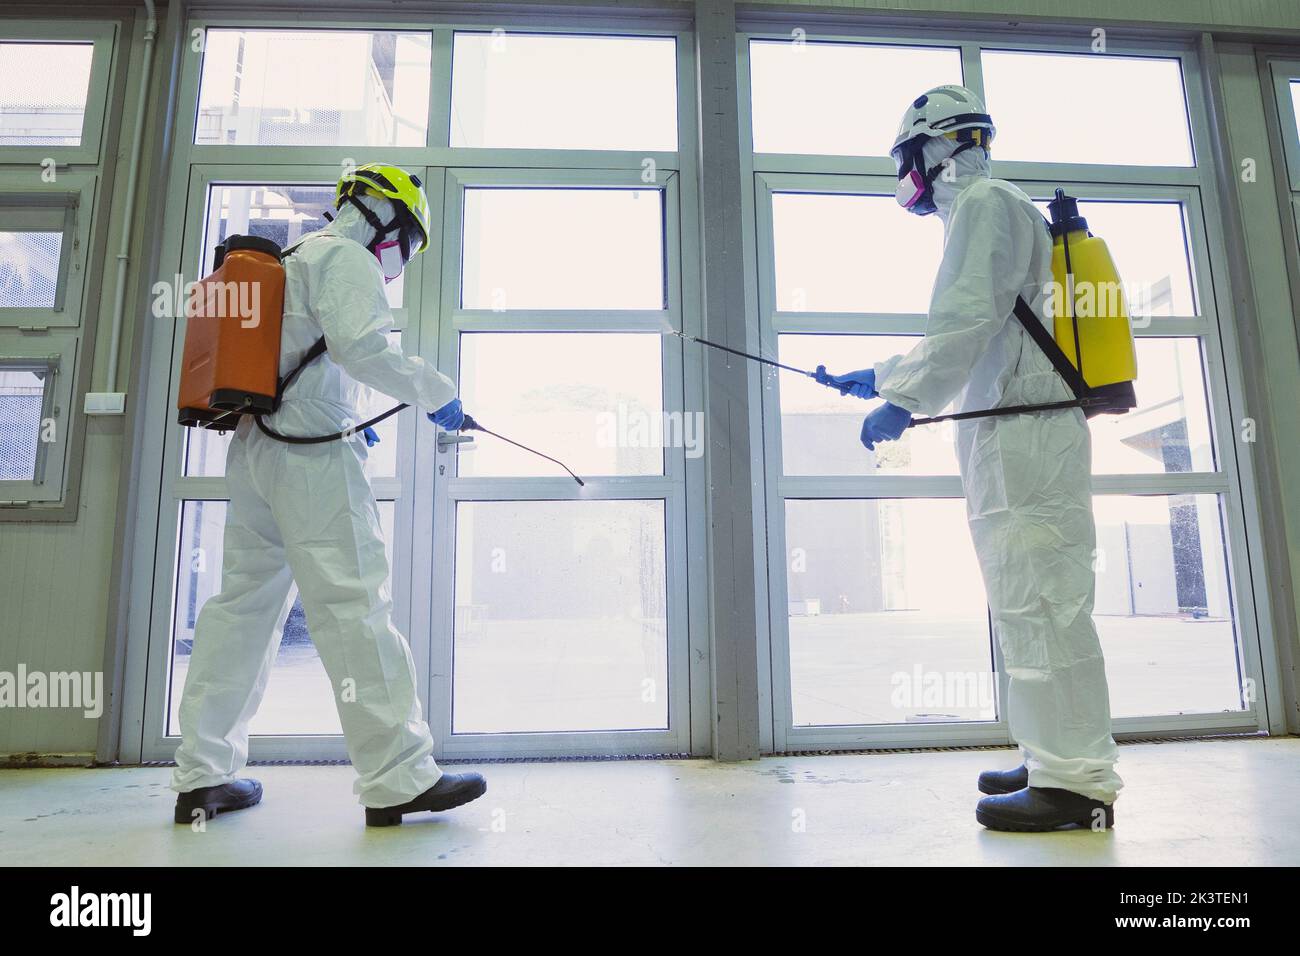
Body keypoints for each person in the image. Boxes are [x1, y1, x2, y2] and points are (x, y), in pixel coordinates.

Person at [818, 86, 1122, 831]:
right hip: (1012, 432)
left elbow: (967, 317)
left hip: (1027, 438)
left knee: (1045, 604)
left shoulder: (987, 203)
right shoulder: (989, 208)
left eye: (908, 159)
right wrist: (884, 376)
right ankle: (1049, 750)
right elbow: (984, 327)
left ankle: (1077, 785)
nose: (908, 178)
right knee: (1026, 602)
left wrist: (905, 400)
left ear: (937, 147)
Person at [172, 163, 486, 828]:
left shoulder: (291, 258)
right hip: (312, 465)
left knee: (240, 611)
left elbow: (306, 366)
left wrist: (349, 420)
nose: (399, 263)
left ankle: (205, 775)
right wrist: (439, 395)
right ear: (383, 217)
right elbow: (362, 347)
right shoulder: (347, 258)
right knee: (354, 607)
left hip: (257, 454)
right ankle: (398, 775)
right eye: (406, 243)